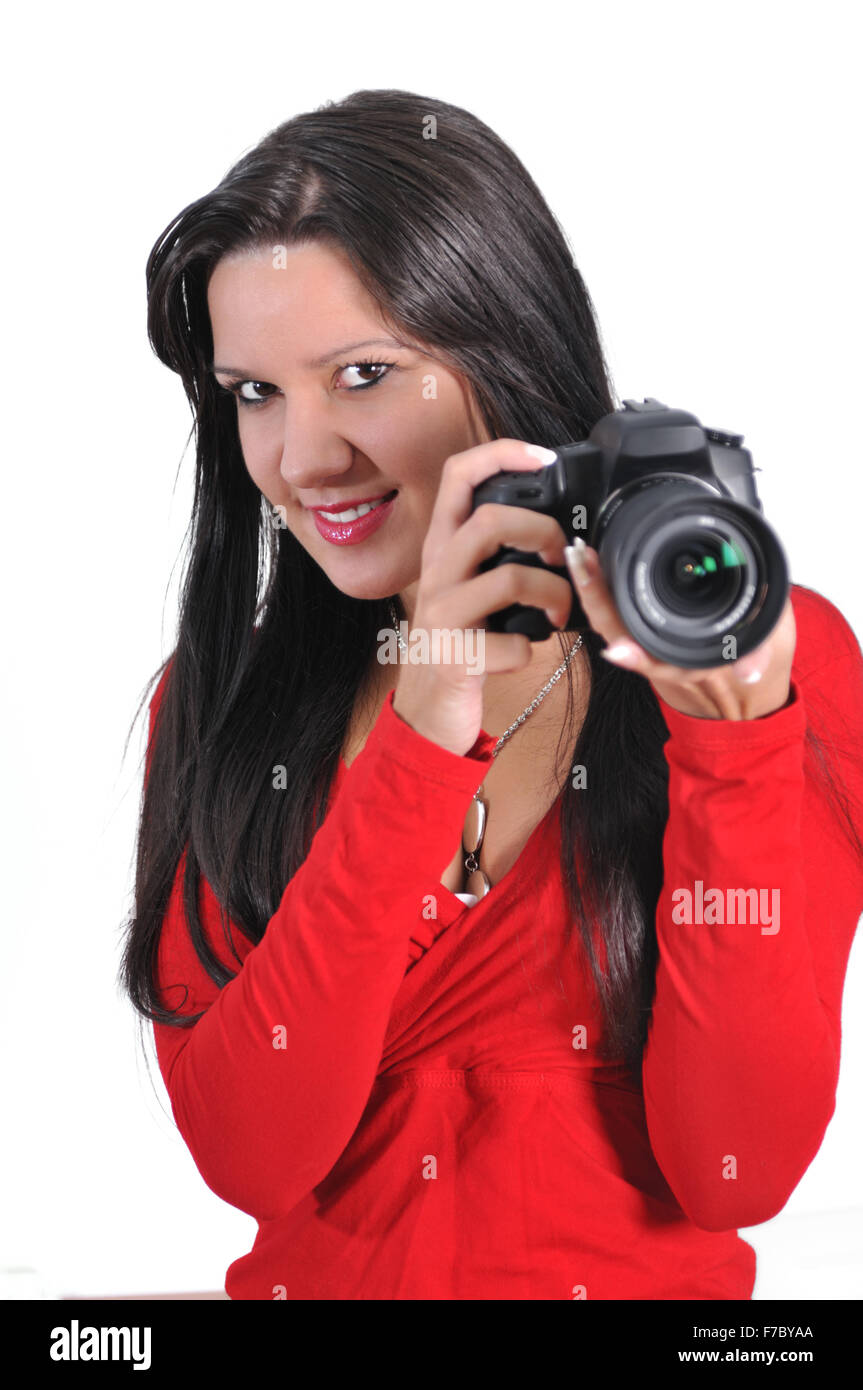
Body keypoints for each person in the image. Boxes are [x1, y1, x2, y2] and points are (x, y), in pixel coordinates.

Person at [120, 88, 863, 1300]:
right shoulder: (227, 698)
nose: (300, 458)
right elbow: (252, 1159)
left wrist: (729, 748)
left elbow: (735, 1170)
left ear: (503, 346)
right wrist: (422, 735)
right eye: (255, 392)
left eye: (362, 374)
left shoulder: (767, 655)